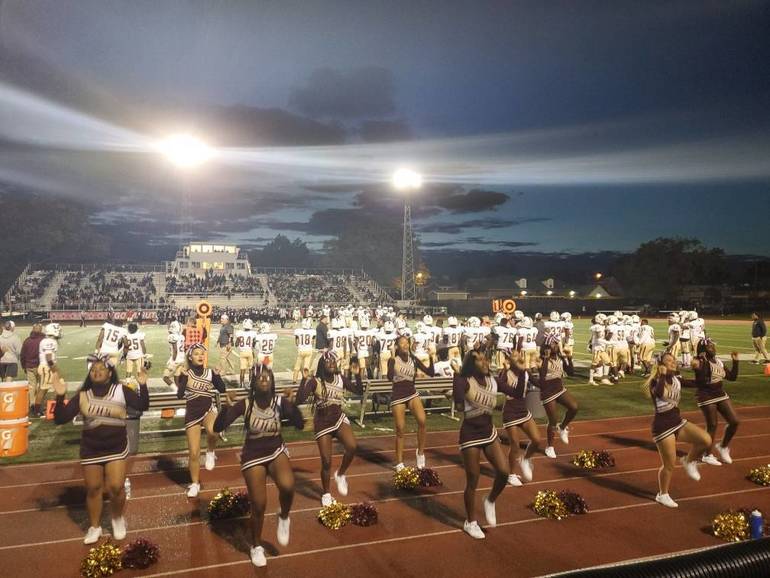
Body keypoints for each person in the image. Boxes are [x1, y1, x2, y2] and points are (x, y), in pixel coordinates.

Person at [213, 366, 304, 567]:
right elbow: (217, 427)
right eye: (259, 377)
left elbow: (300, 424)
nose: (264, 378)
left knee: (289, 487)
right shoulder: (245, 404)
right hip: (253, 455)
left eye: (267, 376)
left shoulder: (279, 402)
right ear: (253, 383)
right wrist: (227, 407)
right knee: (259, 504)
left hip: (276, 450)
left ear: (272, 382)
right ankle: (256, 546)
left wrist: (292, 404)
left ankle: (284, 515)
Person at [53, 358, 149, 543]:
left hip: (116, 447)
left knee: (116, 487)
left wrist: (142, 385)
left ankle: (117, 518)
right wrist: (59, 397)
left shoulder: (121, 390)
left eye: (101, 369)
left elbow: (142, 406)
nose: (96, 371)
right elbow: (61, 419)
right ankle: (95, 527)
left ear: (110, 373)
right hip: (91, 449)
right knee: (93, 489)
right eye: (93, 369)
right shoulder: (83, 395)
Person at [452, 349, 512, 539]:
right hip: (470, 435)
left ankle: (490, 499)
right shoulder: (464, 380)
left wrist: (517, 371)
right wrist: (456, 383)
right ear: (471, 364)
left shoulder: (493, 380)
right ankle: (470, 522)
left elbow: (515, 392)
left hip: (488, 432)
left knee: (504, 472)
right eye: (480, 360)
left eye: (486, 359)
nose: (485, 362)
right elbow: (460, 406)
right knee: (473, 480)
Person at [296, 352, 363, 506]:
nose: (332, 363)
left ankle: (340, 474)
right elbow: (299, 399)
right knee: (326, 461)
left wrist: (357, 375)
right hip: (322, 422)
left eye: (334, 361)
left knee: (352, 446)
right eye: (328, 362)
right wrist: (304, 380)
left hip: (338, 418)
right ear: (322, 365)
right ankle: (326, 493)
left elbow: (359, 391)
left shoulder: (341, 378)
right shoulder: (315, 381)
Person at [646, 352, 711, 508]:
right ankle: (663, 494)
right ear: (661, 365)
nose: (673, 362)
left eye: (673, 360)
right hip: (662, 427)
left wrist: (698, 368)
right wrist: (662, 375)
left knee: (705, 440)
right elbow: (660, 393)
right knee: (669, 465)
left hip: (677, 422)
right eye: (668, 361)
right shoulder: (655, 381)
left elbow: (701, 383)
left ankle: (689, 461)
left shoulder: (677, 380)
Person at [175, 343, 228, 497]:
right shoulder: (187, 373)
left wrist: (217, 375)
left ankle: (211, 451)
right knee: (193, 453)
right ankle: (195, 484)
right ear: (190, 357)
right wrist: (183, 377)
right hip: (192, 414)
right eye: (196, 354)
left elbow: (222, 389)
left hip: (207, 410)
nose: (200, 356)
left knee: (213, 431)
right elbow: (179, 395)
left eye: (202, 354)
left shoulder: (210, 372)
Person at [388, 335, 435, 470]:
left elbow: (430, 373)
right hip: (398, 395)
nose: (405, 345)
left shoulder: (413, 359)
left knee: (422, 420)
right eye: (401, 343)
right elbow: (390, 377)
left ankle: (420, 453)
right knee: (400, 429)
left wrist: (431, 356)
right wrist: (391, 356)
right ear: (397, 346)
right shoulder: (393, 360)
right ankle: (399, 462)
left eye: (406, 343)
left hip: (411, 393)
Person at [691, 341, 740, 465]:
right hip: (706, 396)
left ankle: (723, 446)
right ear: (703, 350)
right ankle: (706, 455)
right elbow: (701, 377)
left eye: (713, 346)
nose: (713, 348)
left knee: (734, 421)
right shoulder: (702, 362)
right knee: (712, 425)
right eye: (709, 346)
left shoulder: (718, 361)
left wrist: (735, 361)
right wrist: (698, 361)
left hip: (720, 394)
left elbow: (732, 377)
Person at [497, 352, 540, 485]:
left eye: (519, 358)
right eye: (515, 359)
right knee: (515, 445)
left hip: (523, 410)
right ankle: (511, 474)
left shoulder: (525, 372)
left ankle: (525, 459)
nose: (519, 360)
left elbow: (538, 383)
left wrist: (542, 369)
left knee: (537, 440)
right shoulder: (506, 374)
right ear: (511, 362)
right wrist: (511, 370)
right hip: (510, 412)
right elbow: (514, 392)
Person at [538, 336, 578, 458]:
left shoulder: (559, 358)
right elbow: (542, 375)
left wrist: (569, 359)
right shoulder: (540, 358)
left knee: (574, 407)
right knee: (553, 420)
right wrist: (545, 357)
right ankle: (550, 447)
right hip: (547, 391)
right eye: (553, 344)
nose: (555, 346)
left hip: (559, 388)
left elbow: (570, 372)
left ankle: (563, 427)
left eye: (556, 344)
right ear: (547, 346)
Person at [20, 324, 45, 415]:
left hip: (29, 366)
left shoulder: (27, 341)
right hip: (40, 366)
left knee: (31, 386)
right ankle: (38, 406)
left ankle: (32, 404)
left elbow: (22, 355)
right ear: (41, 330)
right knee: (41, 387)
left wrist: (23, 366)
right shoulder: (43, 340)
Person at [293, 318, 315, 383]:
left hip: (301, 350)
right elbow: (313, 342)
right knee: (306, 366)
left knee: (297, 366)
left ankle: (294, 379)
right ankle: (305, 380)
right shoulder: (312, 331)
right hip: (308, 350)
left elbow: (296, 342)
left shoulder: (298, 331)